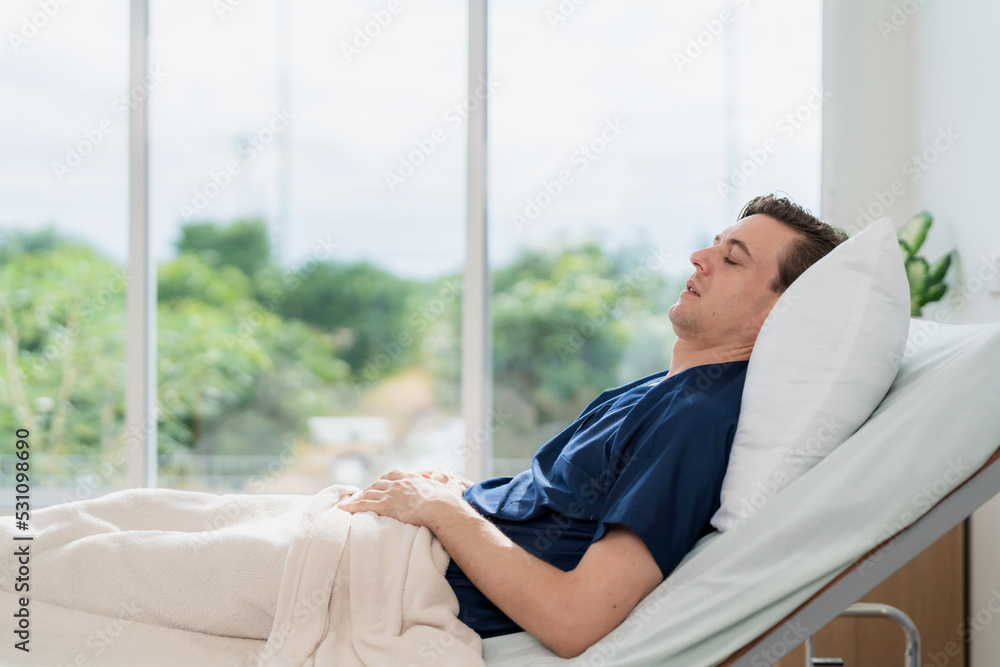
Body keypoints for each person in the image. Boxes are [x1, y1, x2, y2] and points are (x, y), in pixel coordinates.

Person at [337, 194, 848, 659]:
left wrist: (443, 511)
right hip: (390, 547)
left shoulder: (696, 419)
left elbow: (574, 619)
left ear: (779, 315)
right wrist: (461, 495)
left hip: (397, 578)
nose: (700, 257)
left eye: (733, 259)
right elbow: (552, 506)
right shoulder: (658, 390)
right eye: (714, 245)